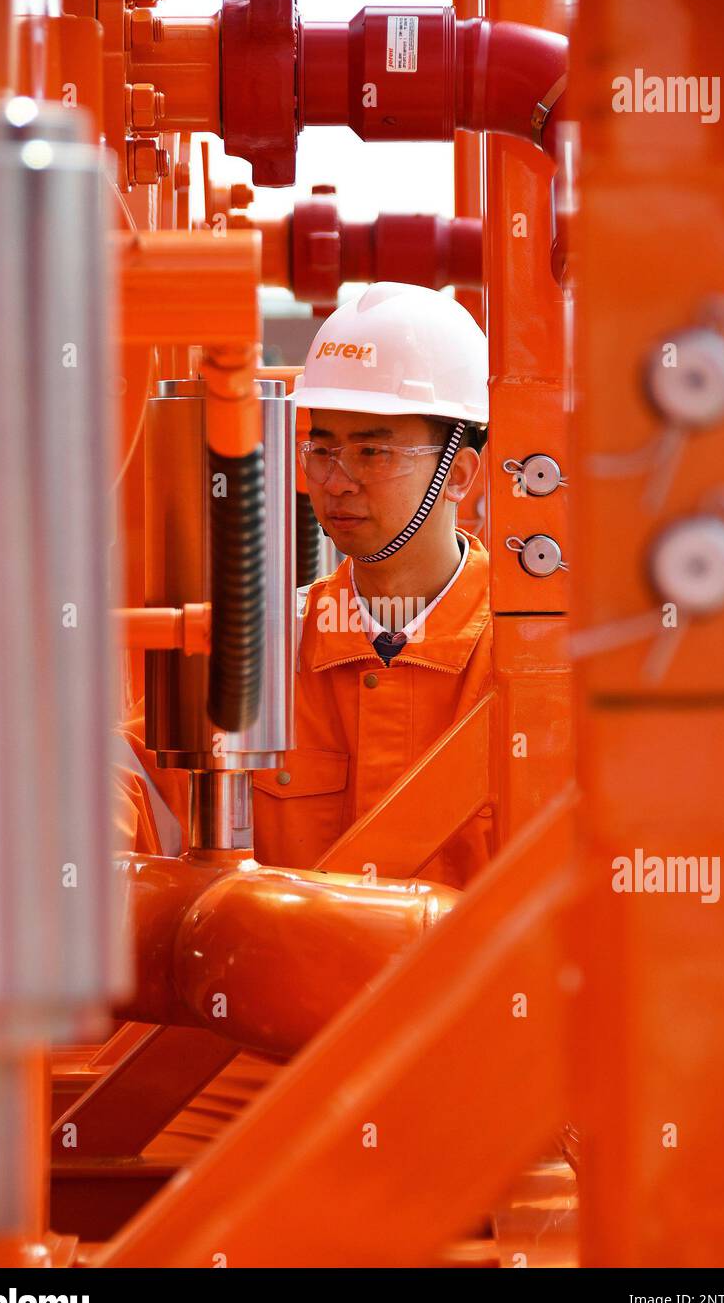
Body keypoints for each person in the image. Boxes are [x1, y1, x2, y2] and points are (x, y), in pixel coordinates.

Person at [115, 282, 493, 889]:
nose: (336, 481)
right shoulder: (263, 645)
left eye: (373, 452)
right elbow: (122, 775)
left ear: (459, 474)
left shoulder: (527, 664)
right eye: (321, 449)